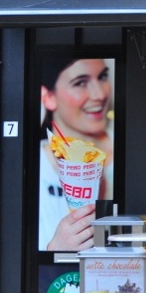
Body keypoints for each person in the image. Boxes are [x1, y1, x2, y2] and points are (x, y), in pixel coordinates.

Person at [39, 58, 114, 252]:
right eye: (80, 82)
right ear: (48, 97)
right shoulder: (32, 168)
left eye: (102, 77)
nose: (99, 95)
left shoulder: (130, 148)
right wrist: (56, 249)